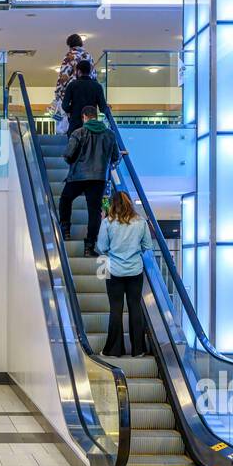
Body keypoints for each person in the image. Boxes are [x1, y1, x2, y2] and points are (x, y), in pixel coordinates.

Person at [96, 190, 157, 357]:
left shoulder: (107, 222)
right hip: (135, 271)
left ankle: (113, 350)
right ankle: (138, 350)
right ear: (129, 203)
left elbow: (101, 247)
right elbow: (147, 246)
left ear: (113, 204)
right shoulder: (140, 222)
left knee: (115, 309)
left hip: (114, 271)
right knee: (135, 307)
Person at [59, 105, 119, 256]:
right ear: (96, 116)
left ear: (84, 117)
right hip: (99, 179)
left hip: (78, 177)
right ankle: (89, 247)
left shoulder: (79, 132)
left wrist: (73, 163)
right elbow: (115, 158)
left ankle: (65, 230)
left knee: (65, 199)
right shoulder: (110, 134)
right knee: (94, 212)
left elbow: (68, 155)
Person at [52, 33, 93, 134]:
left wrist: (58, 94)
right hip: (89, 92)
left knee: (74, 124)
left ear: (69, 44)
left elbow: (63, 76)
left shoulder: (69, 56)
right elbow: (93, 74)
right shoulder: (88, 56)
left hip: (73, 91)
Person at [61, 58, 107, 133]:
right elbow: (103, 108)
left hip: (75, 124)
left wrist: (72, 110)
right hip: (91, 126)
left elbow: (64, 105)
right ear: (89, 71)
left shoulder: (72, 85)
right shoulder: (97, 86)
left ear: (78, 71)